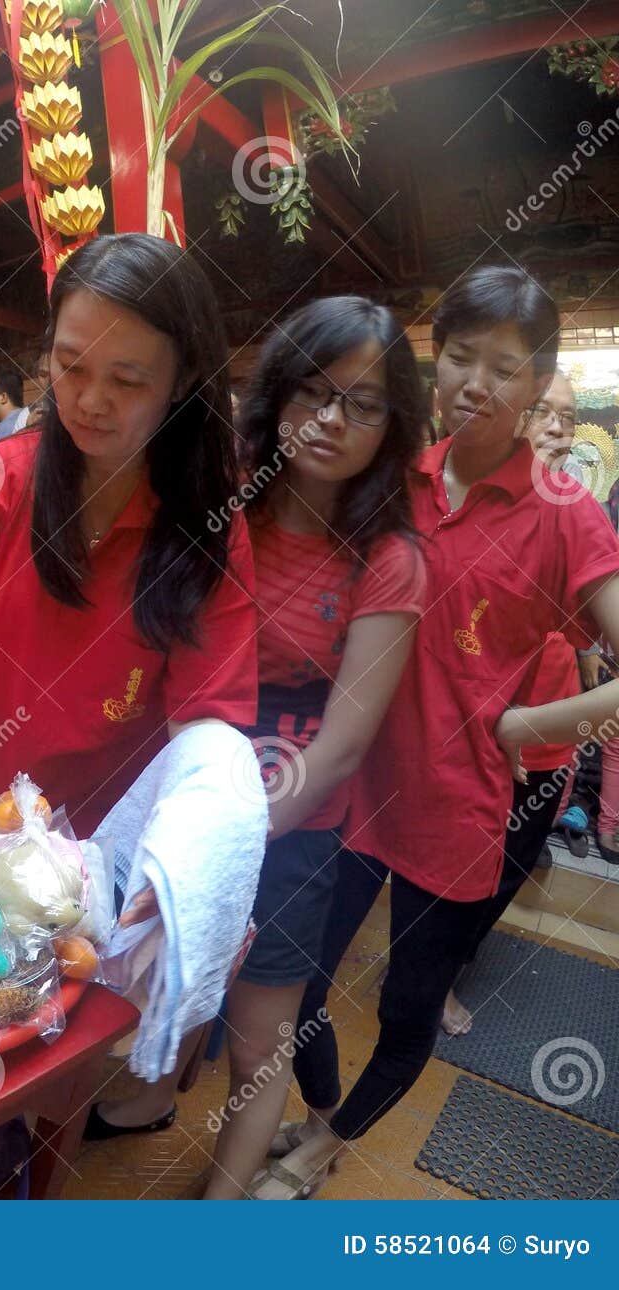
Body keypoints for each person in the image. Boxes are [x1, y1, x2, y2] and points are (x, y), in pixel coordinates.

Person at [272, 266, 619, 1195]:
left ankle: (327, 1144)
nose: (476, 382)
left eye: (505, 367)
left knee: (406, 1005)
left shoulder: (565, 514)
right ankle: (314, 1113)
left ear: (540, 381)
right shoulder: (391, 474)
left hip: (454, 807)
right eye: (460, 356)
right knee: (295, 977)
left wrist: (534, 720)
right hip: (341, 786)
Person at [0, 229, 257, 905]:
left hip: (123, 841)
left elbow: (204, 720)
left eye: (126, 379)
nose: (89, 400)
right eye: (71, 365)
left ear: (182, 380)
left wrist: (189, 845)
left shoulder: (207, 523)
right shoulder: (4, 476)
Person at [203, 298, 428, 1199]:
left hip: (288, 833)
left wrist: (230, 836)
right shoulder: (225, 498)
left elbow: (340, 749)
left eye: (363, 404)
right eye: (314, 391)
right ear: (278, 395)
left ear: (394, 423)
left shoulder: (389, 555)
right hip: (182, 796)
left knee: (259, 1050)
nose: (332, 419)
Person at [441, 370, 584, 1036]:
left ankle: (451, 966)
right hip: (495, 740)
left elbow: (578, 628)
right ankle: (430, 981)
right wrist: (507, 732)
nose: (558, 426)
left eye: (569, 416)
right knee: (468, 872)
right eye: (544, 412)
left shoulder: (574, 513)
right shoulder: (485, 512)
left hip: (556, 726)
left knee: (512, 869)